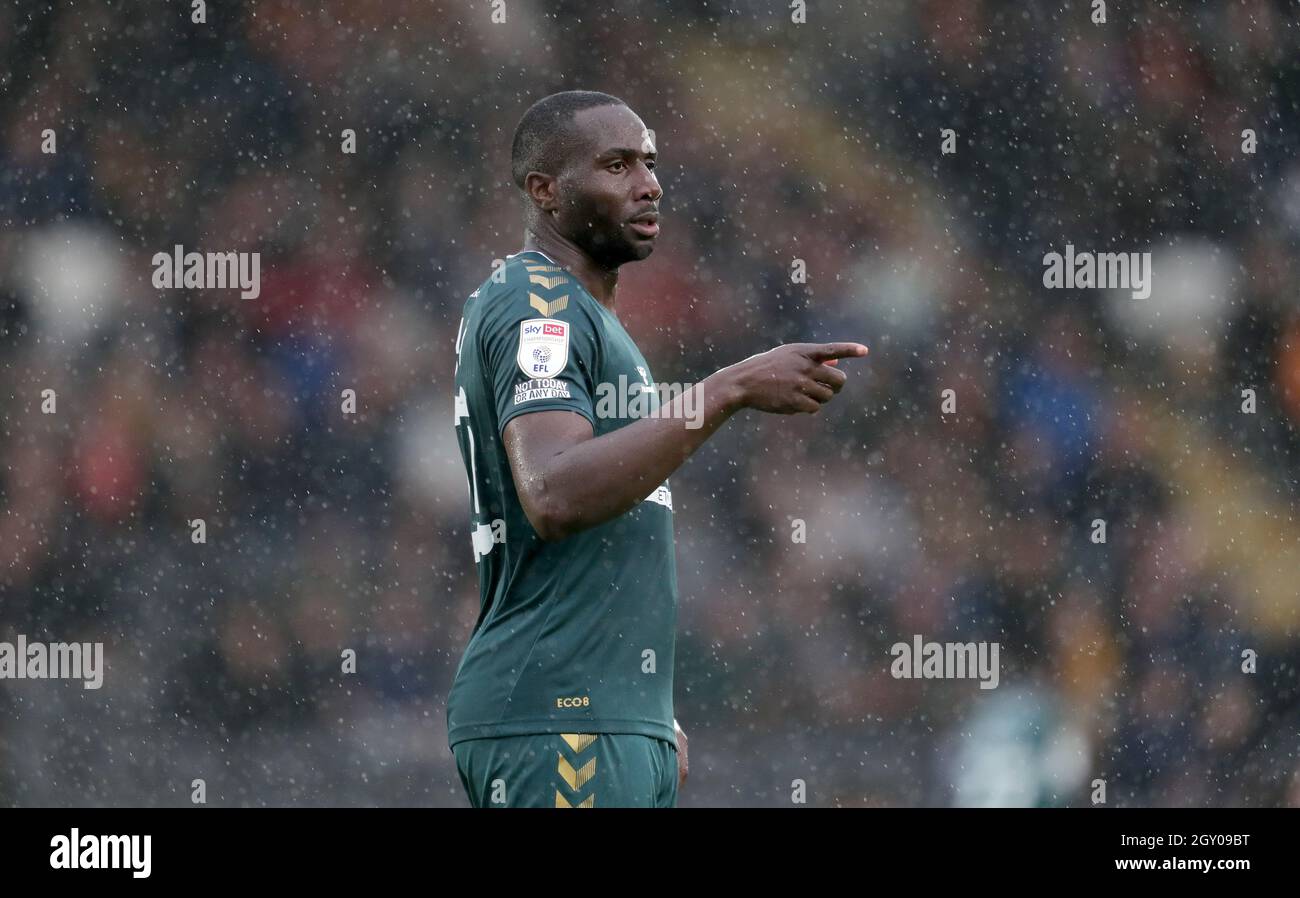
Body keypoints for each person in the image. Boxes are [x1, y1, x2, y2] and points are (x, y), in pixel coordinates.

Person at [448, 90, 867, 807]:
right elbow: (553, 491)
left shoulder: (591, 319)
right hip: (561, 718)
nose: (649, 183)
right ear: (545, 192)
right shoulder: (534, 303)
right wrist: (727, 389)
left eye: (649, 162)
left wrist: (641, 707)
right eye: (616, 165)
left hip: (603, 718)